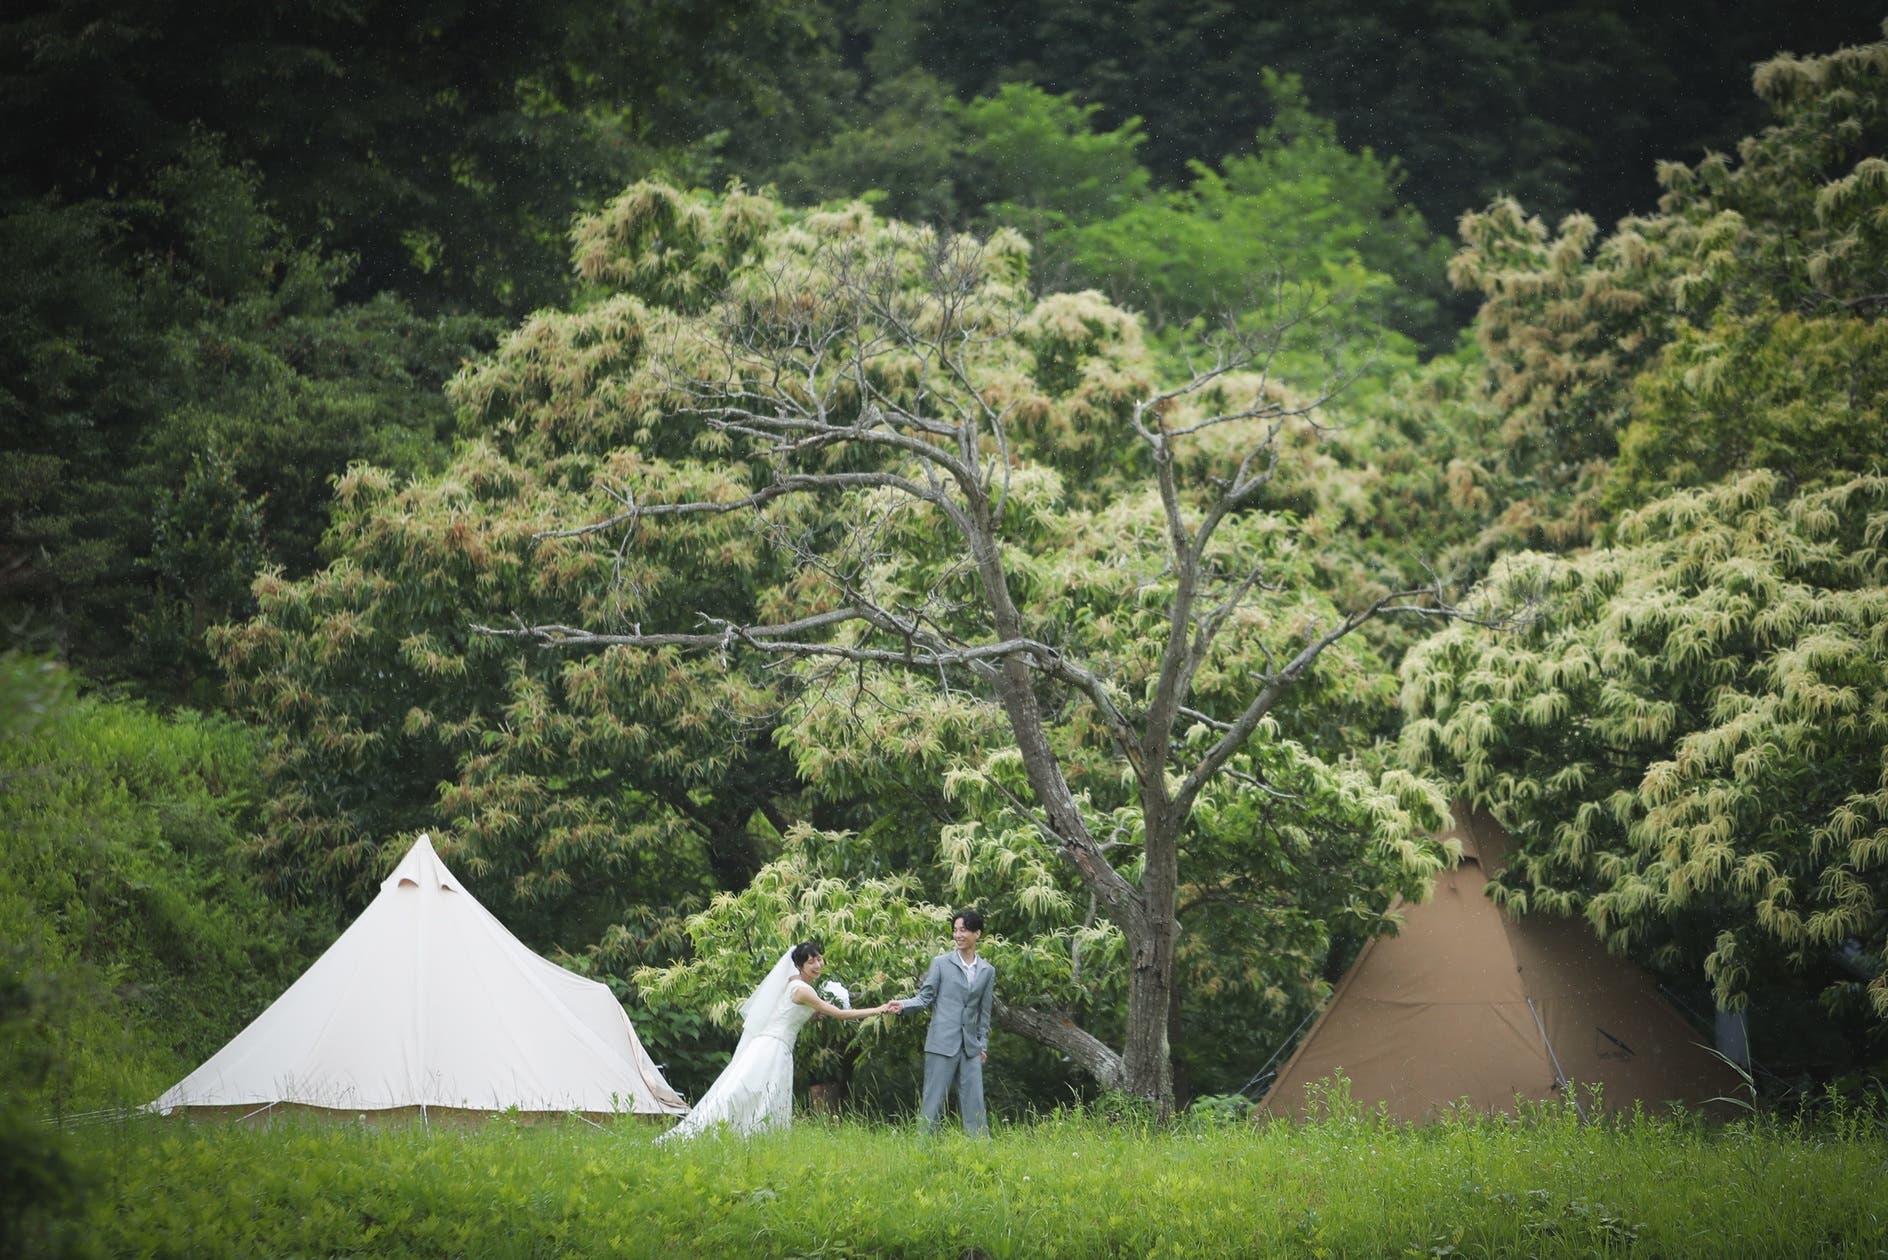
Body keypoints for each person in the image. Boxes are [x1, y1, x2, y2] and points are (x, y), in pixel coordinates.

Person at [657, 940, 890, 1142]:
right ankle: (716, 1130)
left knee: (763, 1094)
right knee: (744, 1091)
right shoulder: (803, 990)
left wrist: (812, 1015)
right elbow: (838, 1015)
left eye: (819, 959)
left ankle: (753, 1136)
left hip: (777, 1044)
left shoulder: (796, 985)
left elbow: (786, 1015)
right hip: (772, 1047)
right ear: (800, 966)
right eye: (811, 962)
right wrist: (879, 1009)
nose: (818, 965)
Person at [890, 909, 995, 1135]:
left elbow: (984, 1012)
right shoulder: (940, 963)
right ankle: (924, 1151)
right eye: (955, 930)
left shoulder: (987, 970)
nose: (958, 935)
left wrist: (982, 1044)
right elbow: (925, 997)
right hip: (941, 1043)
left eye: (963, 930)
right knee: (933, 1101)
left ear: (977, 934)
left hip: (971, 1047)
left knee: (975, 1104)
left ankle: (980, 1156)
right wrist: (903, 1005)